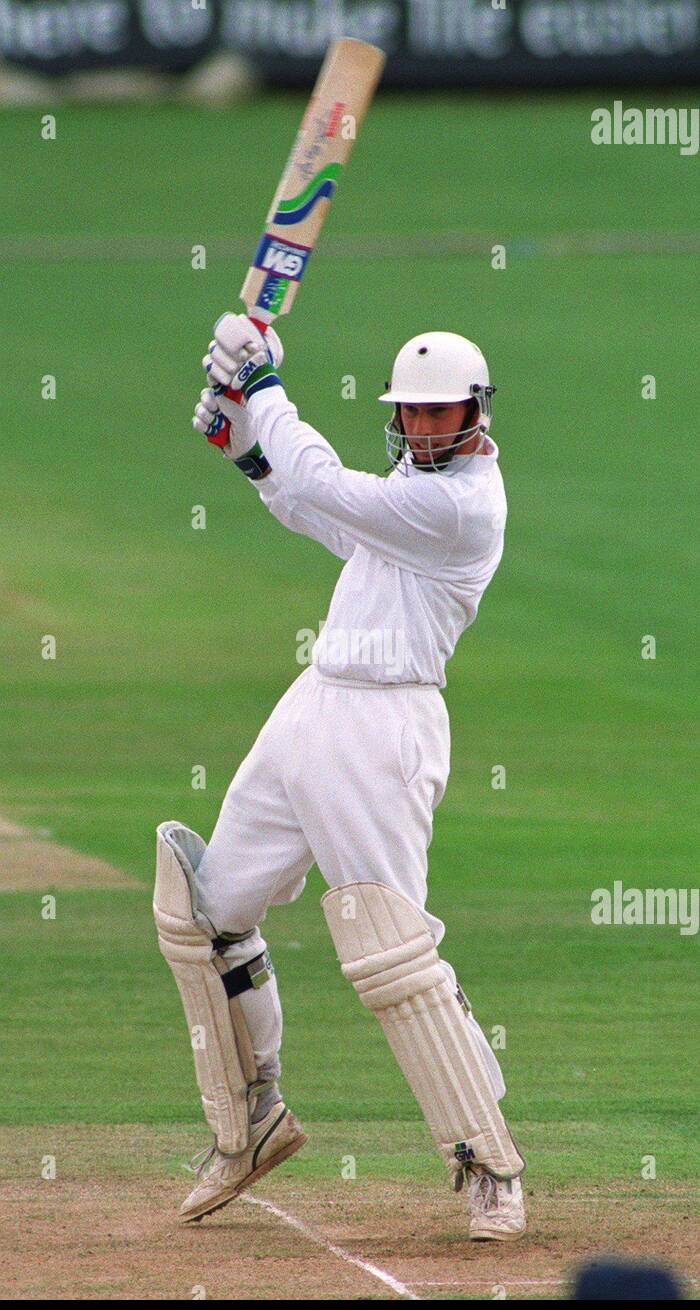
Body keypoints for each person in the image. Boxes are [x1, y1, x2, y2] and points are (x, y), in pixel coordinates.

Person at [152, 316, 526, 1240]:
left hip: (387, 726)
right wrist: (243, 437)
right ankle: (251, 1122)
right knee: (206, 911)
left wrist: (264, 384)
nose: (427, 426)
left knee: (390, 953)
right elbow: (313, 507)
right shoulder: (405, 492)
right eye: (413, 412)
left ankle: (490, 1166)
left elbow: (323, 481)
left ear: (476, 413)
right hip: (316, 702)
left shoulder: (464, 506)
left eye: (442, 411)